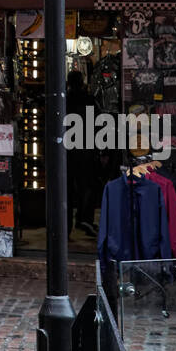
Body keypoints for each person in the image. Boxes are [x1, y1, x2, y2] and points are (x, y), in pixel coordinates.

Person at [66, 69, 99, 236]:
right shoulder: (89, 100)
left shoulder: (64, 100)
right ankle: (84, 219)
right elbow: (99, 124)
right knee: (86, 186)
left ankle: (66, 226)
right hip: (86, 147)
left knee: (67, 187)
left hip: (67, 150)